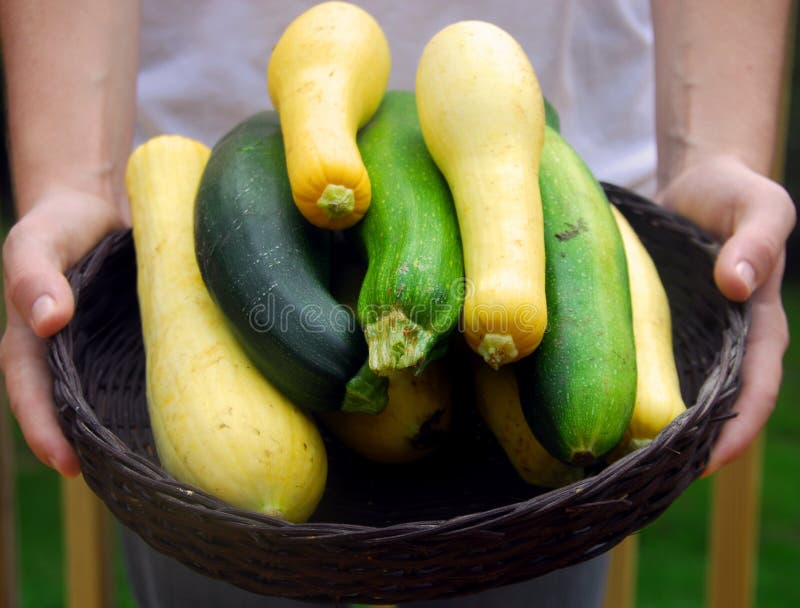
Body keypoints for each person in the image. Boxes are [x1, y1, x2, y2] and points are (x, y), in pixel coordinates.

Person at [0, 1, 795, 606]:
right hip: (202, 195)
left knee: (554, 472)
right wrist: (73, 178)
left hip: (555, 208)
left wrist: (713, 152)